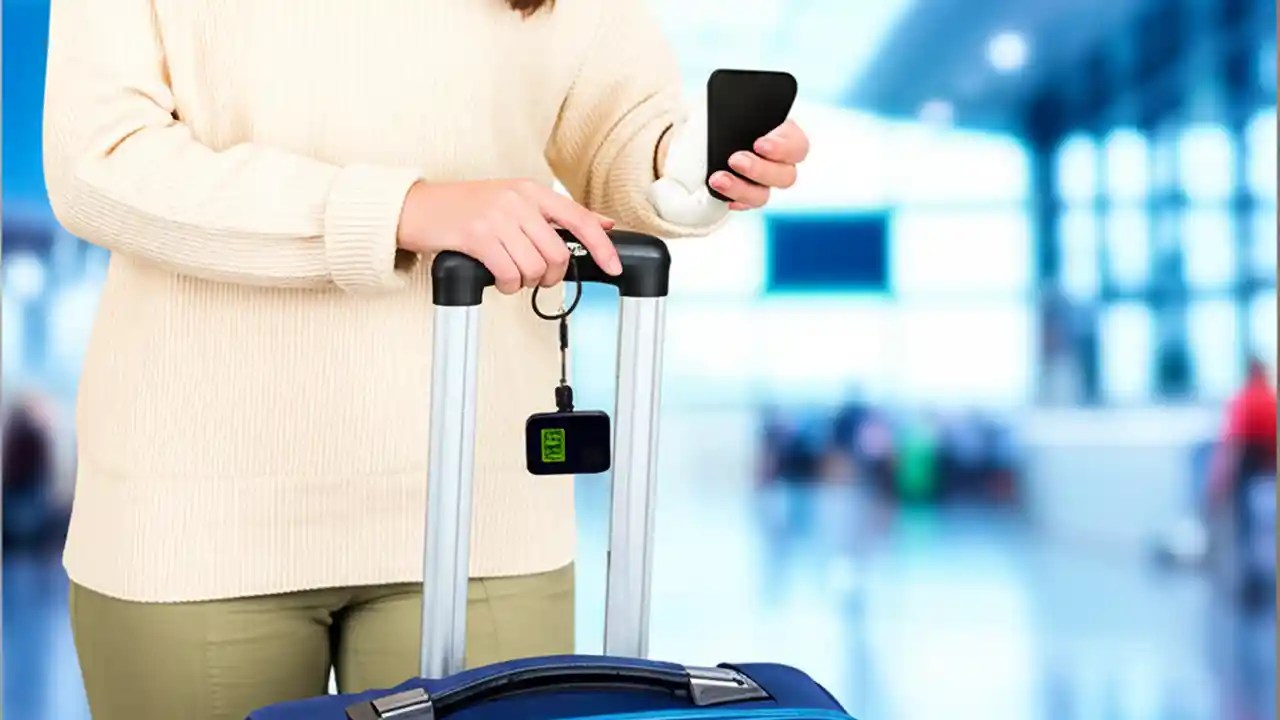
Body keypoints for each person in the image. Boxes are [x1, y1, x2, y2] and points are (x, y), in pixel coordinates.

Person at [41, 1, 811, 718]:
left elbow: (619, 137)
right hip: (197, 504)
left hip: (482, 500)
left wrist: (692, 171)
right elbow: (100, 161)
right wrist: (402, 209)